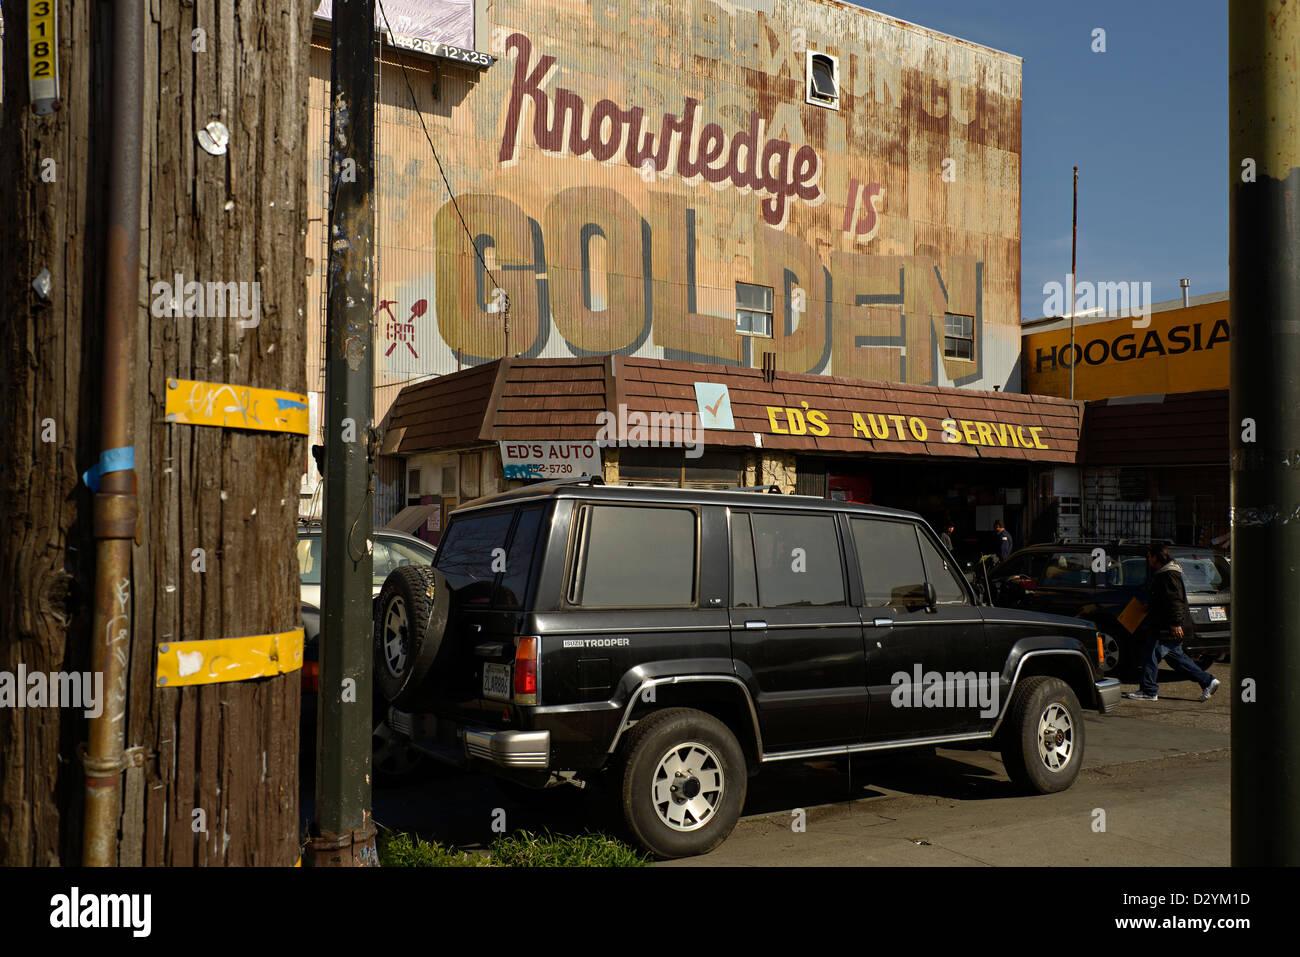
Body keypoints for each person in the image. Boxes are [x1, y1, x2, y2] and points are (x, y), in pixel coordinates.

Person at [1123, 544, 1220, 702]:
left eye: (1149, 556)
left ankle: (1148, 690)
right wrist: (1151, 606)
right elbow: (1166, 600)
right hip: (1164, 624)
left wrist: (1175, 623)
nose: (1148, 560)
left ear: (1156, 557)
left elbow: (1175, 601)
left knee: (1150, 654)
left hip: (1164, 626)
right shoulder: (1165, 573)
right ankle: (1208, 681)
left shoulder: (1169, 574)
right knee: (1177, 659)